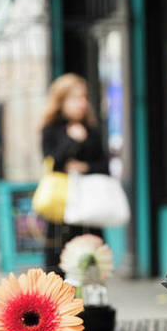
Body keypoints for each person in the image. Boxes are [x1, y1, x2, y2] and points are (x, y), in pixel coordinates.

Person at [39, 73, 109, 274]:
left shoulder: (92, 130)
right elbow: (52, 164)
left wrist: (83, 167)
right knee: (57, 267)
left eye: (84, 97)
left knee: (91, 267)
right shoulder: (51, 129)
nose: (82, 103)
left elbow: (104, 167)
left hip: (89, 209)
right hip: (61, 209)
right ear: (61, 101)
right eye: (76, 98)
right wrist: (72, 140)